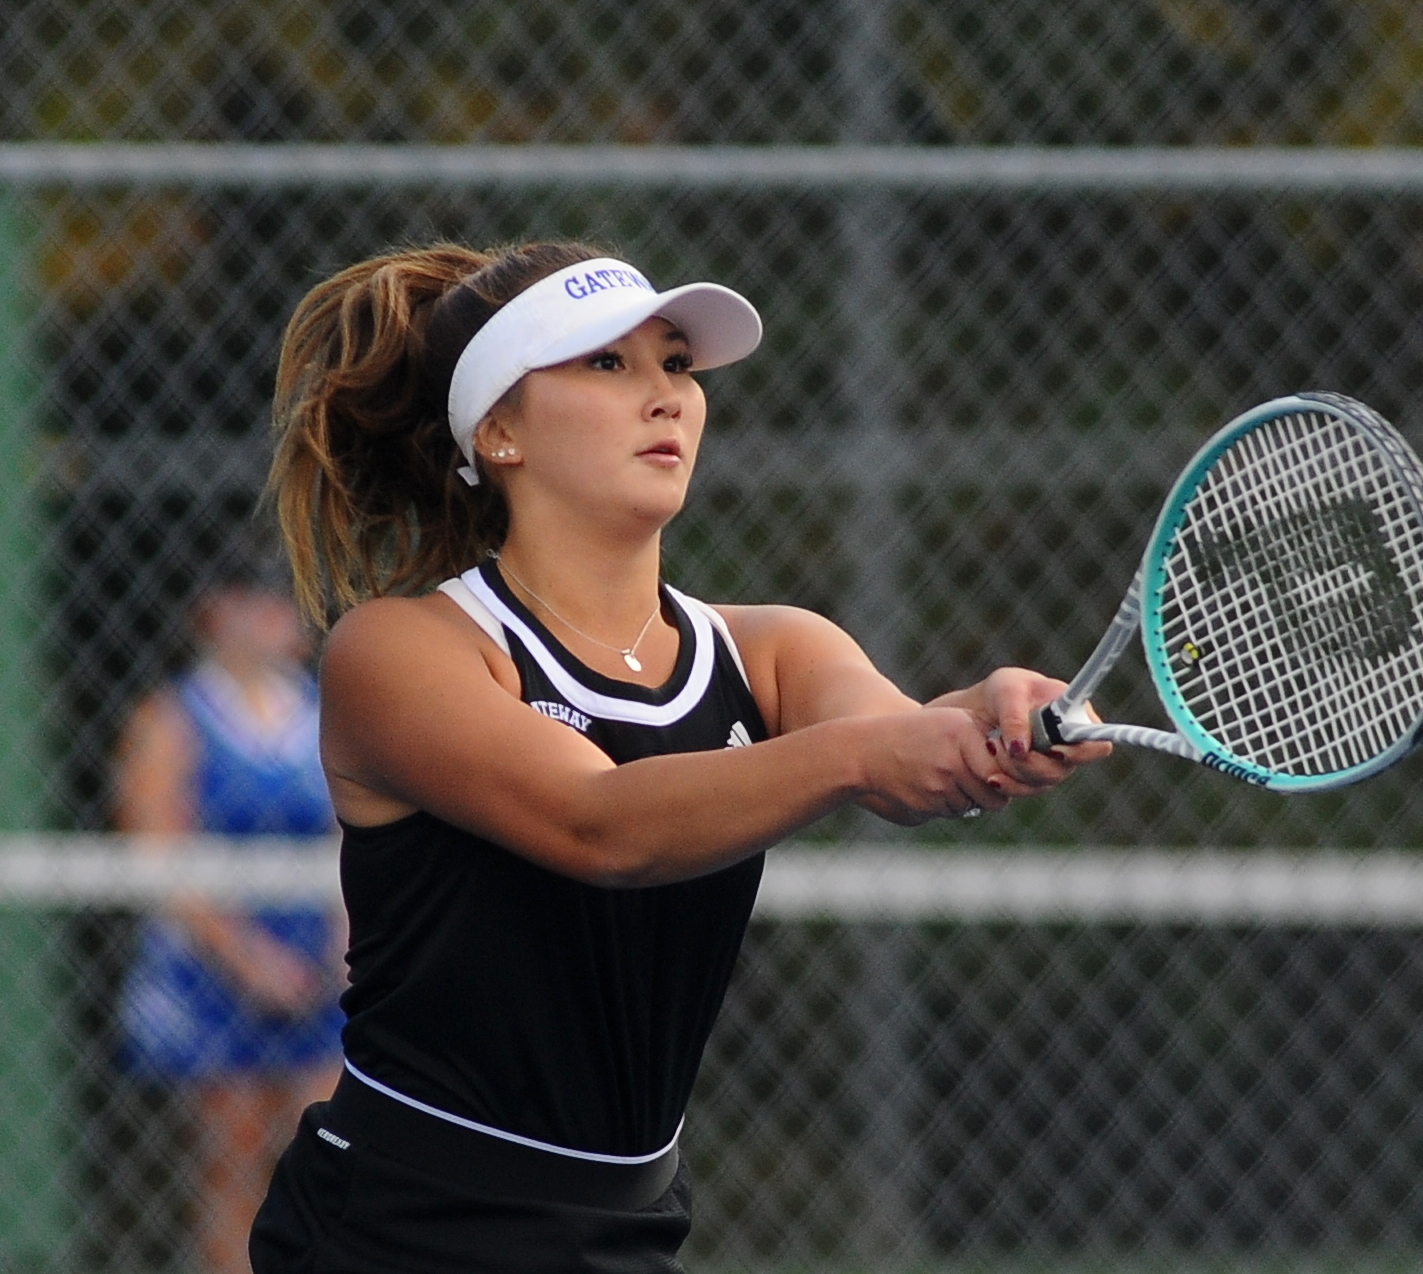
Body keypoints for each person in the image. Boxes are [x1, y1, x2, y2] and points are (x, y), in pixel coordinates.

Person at [245, 241, 1107, 1272]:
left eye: (678, 365)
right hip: (404, 1221)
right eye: (608, 364)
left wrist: (987, 717)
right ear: (501, 431)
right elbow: (601, 825)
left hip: (627, 1225)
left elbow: (901, 739)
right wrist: (868, 753)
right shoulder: (400, 651)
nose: (664, 396)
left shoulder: (775, 647)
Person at [112, 569, 345, 1274]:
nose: (286, 617)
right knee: (231, 1162)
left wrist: (342, 944)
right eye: (268, 600)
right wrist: (248, 960)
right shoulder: (173, 718)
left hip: (321, 968)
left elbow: (354, 835)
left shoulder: (324, 713)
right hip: (214, 969)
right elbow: (158, 853)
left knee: (329, 1156)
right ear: (217, 611)